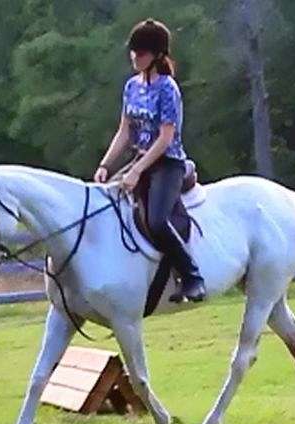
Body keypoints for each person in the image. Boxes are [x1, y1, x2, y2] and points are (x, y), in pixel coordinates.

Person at [94, 18, 206, 303]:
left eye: (141, 52)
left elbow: (166, 138)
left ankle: (192, 275)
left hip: (167, 163)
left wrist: (136, 172)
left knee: (156, 221)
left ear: (157, 55)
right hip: (140, 159)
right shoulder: (131, 86)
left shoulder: (168, 88)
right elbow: (124, 131)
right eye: (133, 51)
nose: (135, 56)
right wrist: (106, 165)